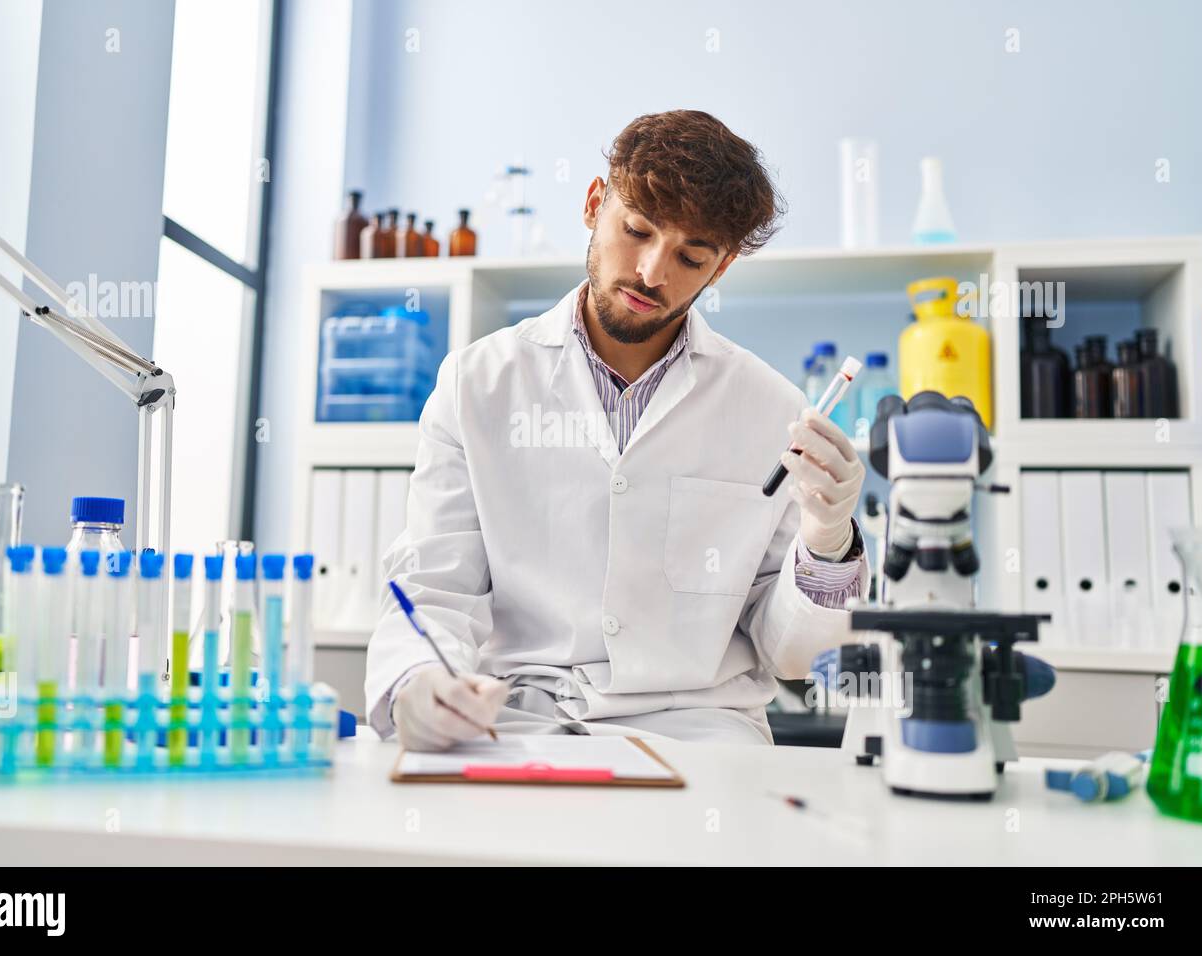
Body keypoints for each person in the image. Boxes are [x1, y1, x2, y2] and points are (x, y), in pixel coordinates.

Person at [366, 110, 867, 751]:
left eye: (691, 256)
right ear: (595, 203)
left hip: (698, 734)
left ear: (722, 267)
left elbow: (793, 657)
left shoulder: (769, 407)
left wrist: (828, 546)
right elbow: (435, 585)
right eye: (637, 231)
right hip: (519, 719)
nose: (653, 273)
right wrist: (419, 680)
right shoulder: (477, 382)